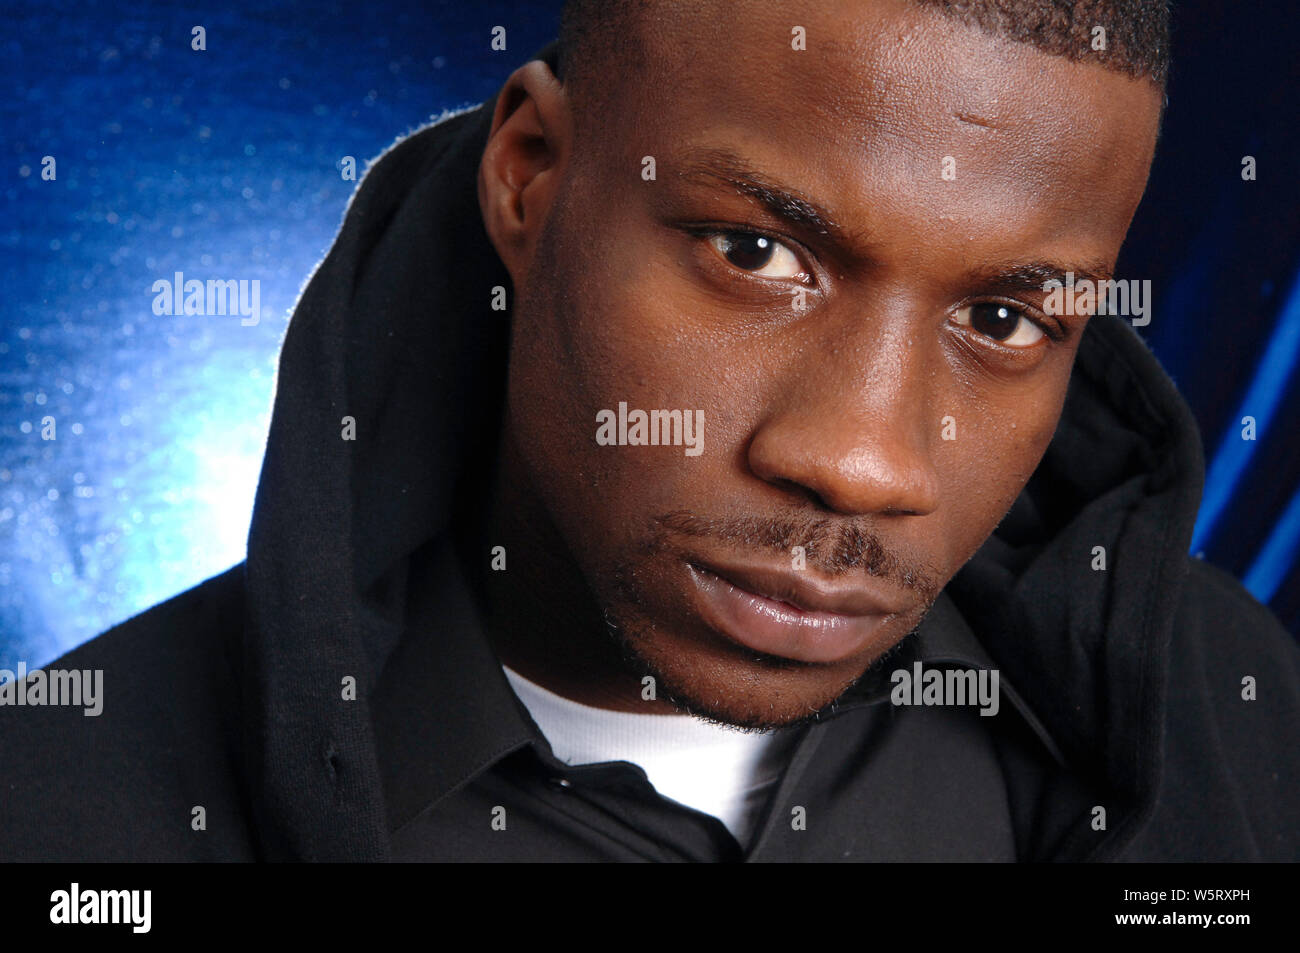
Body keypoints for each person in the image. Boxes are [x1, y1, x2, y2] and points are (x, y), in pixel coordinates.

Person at [2, 0, 1296, 862]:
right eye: (754, 249)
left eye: (1006, 320)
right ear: (530, 175)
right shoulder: (64, 811)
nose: (862, 460)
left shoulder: (1236, 721)